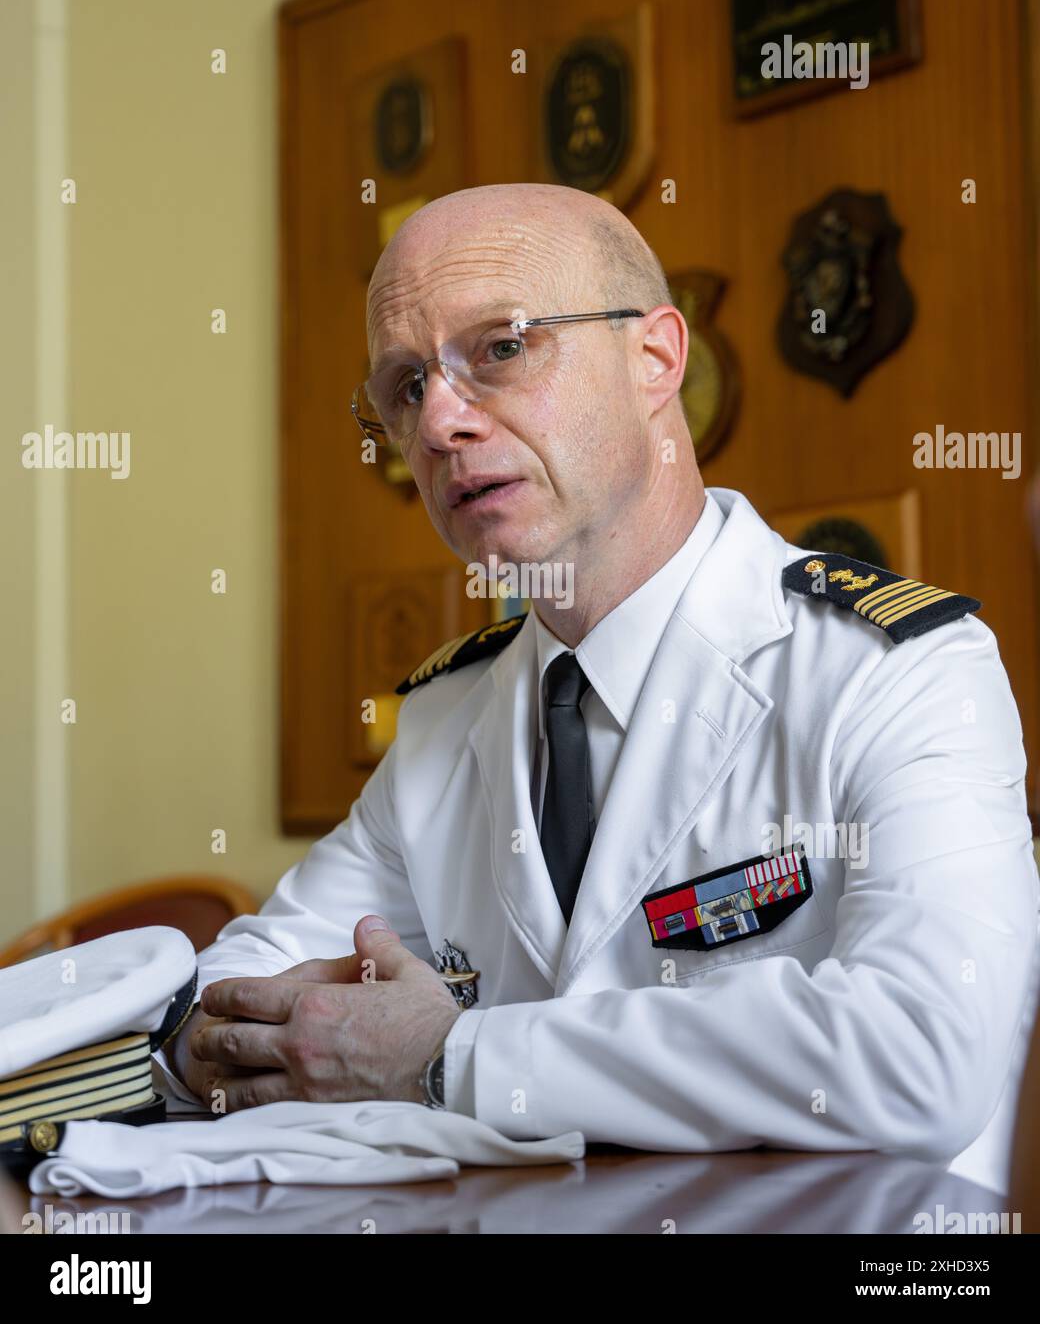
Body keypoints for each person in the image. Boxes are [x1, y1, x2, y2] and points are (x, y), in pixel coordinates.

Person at [157, 182, 1039, 1194]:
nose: (439, 421)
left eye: (501, 348)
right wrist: (204, 1048)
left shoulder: (898, 667)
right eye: (404, 387)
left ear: (655, 358)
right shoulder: (449, 716)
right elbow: (225, 998)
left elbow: (919, 1047)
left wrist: (449, 1057)